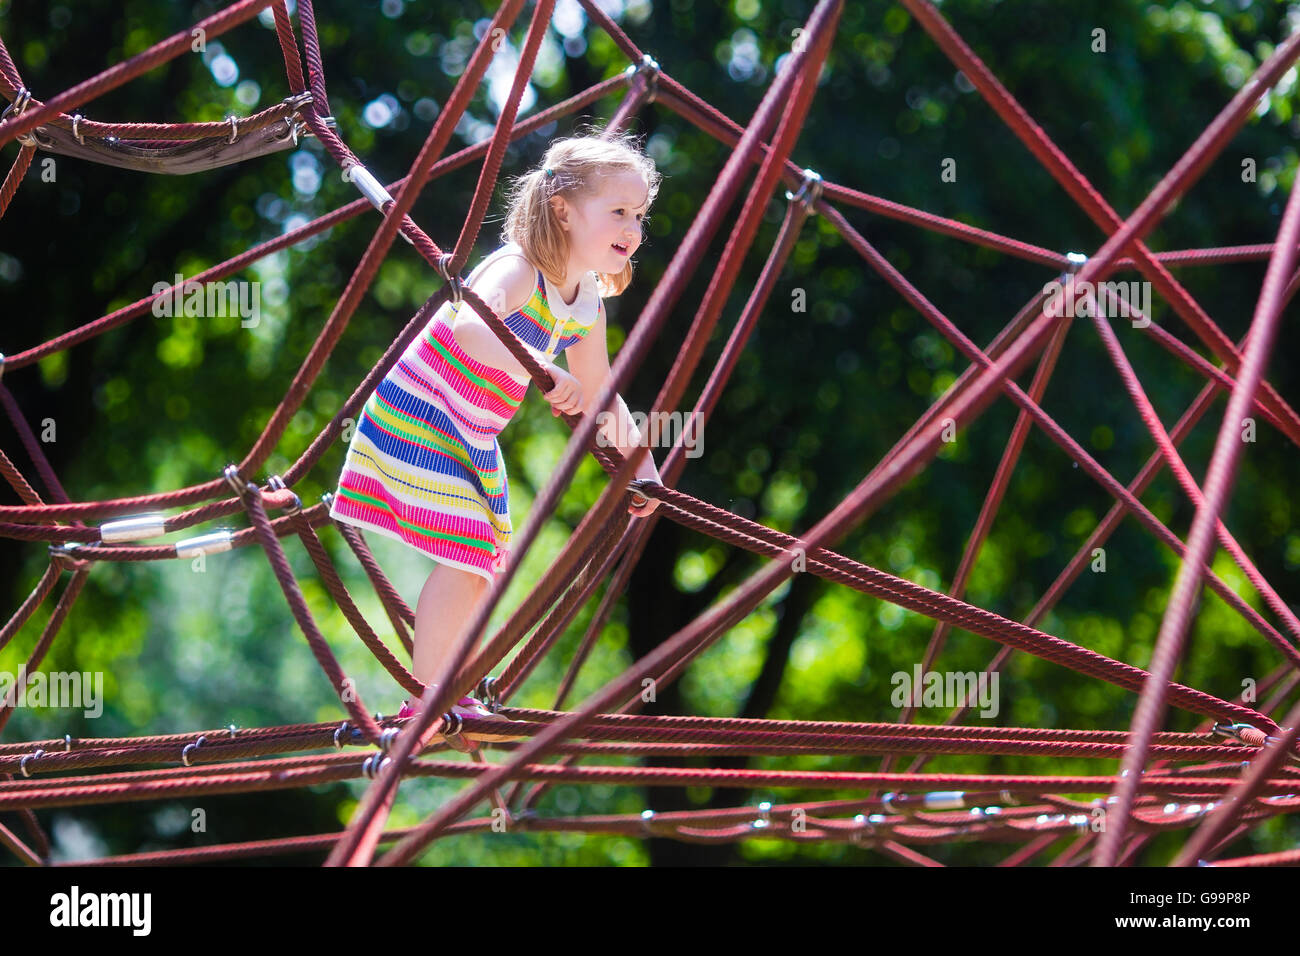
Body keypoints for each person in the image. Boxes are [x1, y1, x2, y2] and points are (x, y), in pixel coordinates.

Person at [328, 129, 664, 740]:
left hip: (471, 434)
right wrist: (540, 368)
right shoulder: (518, 269)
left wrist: (644, 472)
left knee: (483, 562)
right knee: (467, 551)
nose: (633, 228)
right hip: (421, 413)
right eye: (618, 211)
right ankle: (425, 699)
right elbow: (470, 331)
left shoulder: (586, 300)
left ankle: (441, 691)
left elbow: (600, 393)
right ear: (562, 208)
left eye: (638, 215)